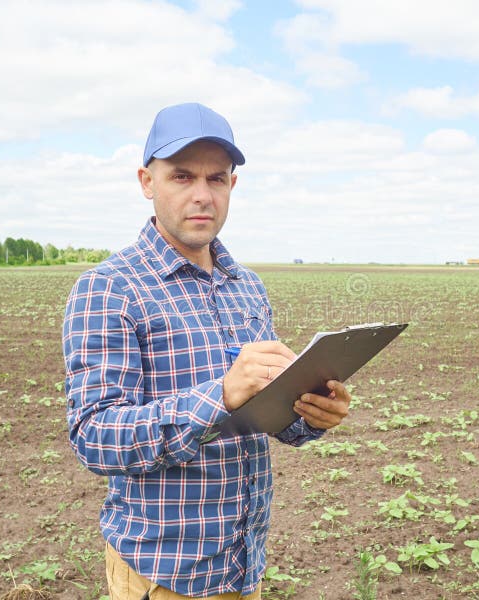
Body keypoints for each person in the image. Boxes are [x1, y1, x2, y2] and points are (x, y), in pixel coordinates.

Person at [62, 102, 351, 600]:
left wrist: (310, 415)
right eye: (181, 177)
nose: (202, 196)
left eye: (216, 179)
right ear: (147, 182)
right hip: (164, 573)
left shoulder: (247, 286)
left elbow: (265, 412)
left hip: (243, 566)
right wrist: (219, 394)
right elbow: (94, 436)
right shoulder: (109, 289)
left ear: (232, 186)